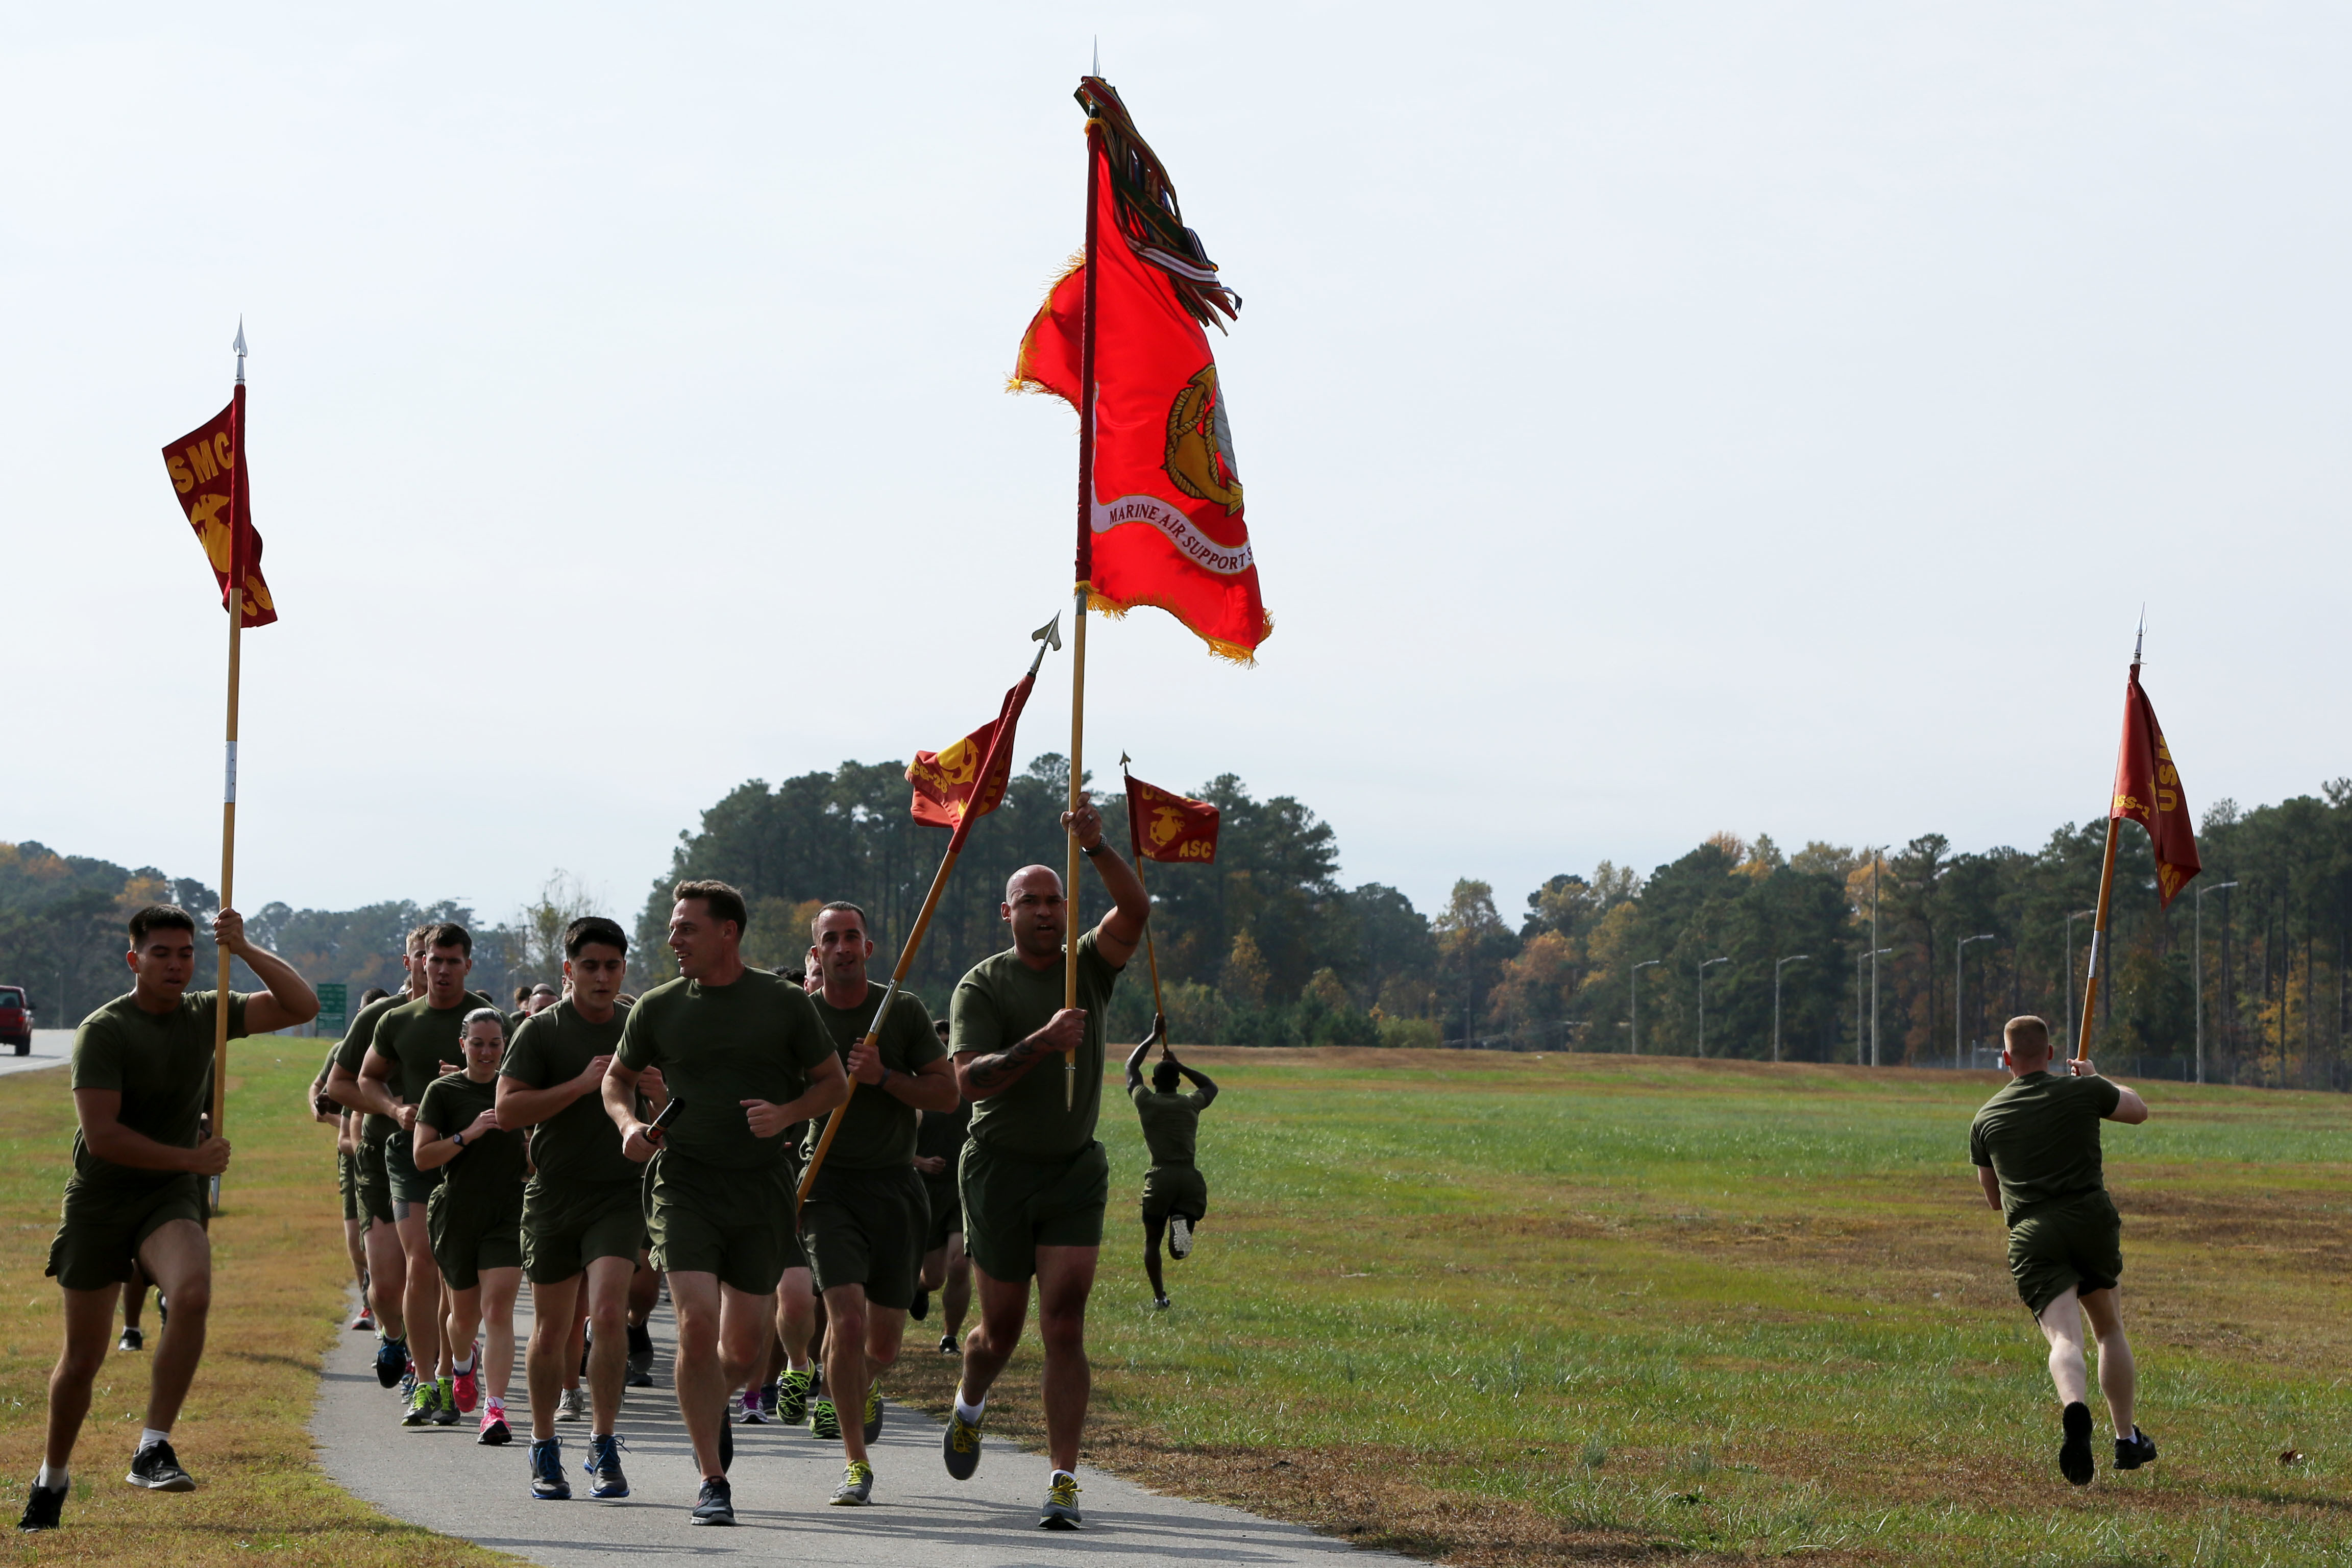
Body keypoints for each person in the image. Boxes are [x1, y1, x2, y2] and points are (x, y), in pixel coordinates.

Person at [18, 904, 316, 1532]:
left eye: (186, 954)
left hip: (170, 1196)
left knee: (193, 1292)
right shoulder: (104, 1030)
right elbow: (103, 1137)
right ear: (135, 960)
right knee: (82, 1362)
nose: (176, 965)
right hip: (102, 1199)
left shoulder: (208, 1014)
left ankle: (152, 1447)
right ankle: (52, 1477)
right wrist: (192, 1157)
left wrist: (244, 947)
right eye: (161, 954)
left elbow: (301, 1006)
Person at [603, 880, 847, 1526]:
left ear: (727, 932)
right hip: (684, 1183)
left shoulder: (783, 1003)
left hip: (761, 1188)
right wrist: (629, 1125)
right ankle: (712, 1479)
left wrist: (787, 1114)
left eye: (686, 928)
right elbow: (616, 1080)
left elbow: (835, 1084)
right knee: (695, 1322)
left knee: (741, 1351)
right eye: (673, 927)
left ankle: (712, 1401)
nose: (673, 939)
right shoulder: (658, 1006)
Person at [939, 798, 1148, 1530]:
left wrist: (1096, 846)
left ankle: (1063, 1479)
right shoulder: (982, 984)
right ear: (1007, 913)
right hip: (999, 1171)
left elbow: (1136, 909)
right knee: (999, 1333)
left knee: (1064, 1324)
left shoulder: (1087, 966)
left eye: (1054, 900)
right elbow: (968, 1082)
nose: (1044, 911)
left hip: (1072, 1172)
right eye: (1029, 901)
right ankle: (970, 1403)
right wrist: (1043, 1043)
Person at [796, 902, 958, 1505]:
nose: (842, 948)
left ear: (869, 947)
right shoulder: (803, 1017)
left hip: (894, 1189)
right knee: (846, 1320)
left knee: (883, 1346)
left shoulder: (901, 1010)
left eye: (852, 937)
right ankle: (855, 1462)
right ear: (817, 952)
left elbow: (946, 1095)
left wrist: (885, 1077)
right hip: (828, 1186)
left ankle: (852, 1385)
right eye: (830, 939)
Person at [496, 916, 651, 1500]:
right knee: (553, 1328)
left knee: (608, 1315)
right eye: (590, 966)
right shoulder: (542, 1031)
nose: (602, 977)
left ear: (624, 969)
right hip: (555, 1193)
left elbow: (674, 1103)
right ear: (569, 970)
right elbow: (507, 1112)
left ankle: (603, 1443)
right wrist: (581, 1086)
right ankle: (543, 1444)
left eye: (612, 966)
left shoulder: (639, 1026)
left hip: (619, 1194)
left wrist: (657, 1092)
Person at [1970, 1014, 2154, 1486]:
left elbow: (1993, 1199)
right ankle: (2126, 1439)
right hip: (2090, 1221)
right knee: (2108, 1330)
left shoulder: (1986, 1118)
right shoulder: (2083, 1090)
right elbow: (2138, 1110)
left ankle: (2075, 1407)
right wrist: (2095, 1078)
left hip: (2034, 1233)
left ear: (2006, 1058)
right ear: (2050, 1053)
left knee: (2065, 1340)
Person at [352, 923, 493, 1428]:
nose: (443, 970)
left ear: (467, 965)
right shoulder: (397, 1019)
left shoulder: (486, 1017)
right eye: (435, 960)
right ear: (420, 962)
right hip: (412, 1154)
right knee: (422, 1261)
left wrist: (471, 1079)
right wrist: (395, 1109)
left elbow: (514, 1082)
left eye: (454, 961)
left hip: (469, 1158)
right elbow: (366, 1077)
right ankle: (424, 1379)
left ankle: (455, 1368)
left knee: (455, 1270)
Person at [414, 1009, 526, 1447]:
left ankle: (495, 1410)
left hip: (508, 1211)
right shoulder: (443, 1091)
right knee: (463, 1319)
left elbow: (537, 1159)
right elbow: (423, 1157)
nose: (486, 1052)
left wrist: (533, 1148)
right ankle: (463, 1364)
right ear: (463, 1045)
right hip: (457, 1212)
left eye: (495, 1043)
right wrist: (469, 1133)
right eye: (477, 1043)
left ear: (505, 1046)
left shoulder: (518, 1091)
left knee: (497, 1310)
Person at [1124, 1038, 1218, 1309]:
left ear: (1154, 1082)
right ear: (1178, 1083)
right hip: (1189, 1179)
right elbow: (1210, 1087)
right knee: (1180, 1252)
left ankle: (1160, 1297)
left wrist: (1153, 1037)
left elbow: (1131, 1067)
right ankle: (1181, 1222)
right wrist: (1180, 1065)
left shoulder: (1146, 1101)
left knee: (1152, 1242)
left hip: (1160, 1178)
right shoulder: (1191, 1103)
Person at [913, 1016, 972, 1354]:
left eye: (952, 1047)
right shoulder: (917, 1088)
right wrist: (919, 1161)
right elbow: (892, 1139)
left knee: (960, 1265)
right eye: (941, 1046)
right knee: (934, 1277)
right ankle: (919, 1289)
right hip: (925, 1189)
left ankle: (950, 1337)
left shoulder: (972, 1088)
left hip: (963, 1188)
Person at [309, 1041, 372, 1331]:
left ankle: (388, 1305)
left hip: (394, 1158)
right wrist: (322, 1111)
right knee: (356, 1241)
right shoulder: (345, 1050)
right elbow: (318, 1087)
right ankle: (369, 1302)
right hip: (354, 1157)